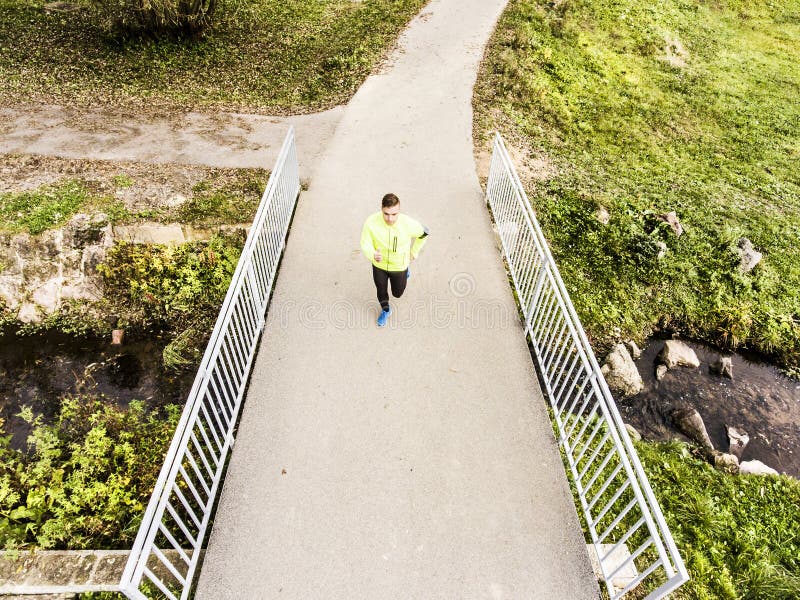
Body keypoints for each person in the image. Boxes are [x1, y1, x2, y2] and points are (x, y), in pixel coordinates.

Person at [360, 193, 429, 327]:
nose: (390, 219)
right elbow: (365, 242)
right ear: (381, 209)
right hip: (379, 264)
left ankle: (406, 273)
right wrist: (372, 253)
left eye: (394, 214)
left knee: (397, 293)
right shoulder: (371, 222)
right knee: (381, 290)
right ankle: (386, 310)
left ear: (399, 211)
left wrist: (414, 252)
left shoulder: (407, 223)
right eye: (386, 214)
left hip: (399, 266)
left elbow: (424, 233)